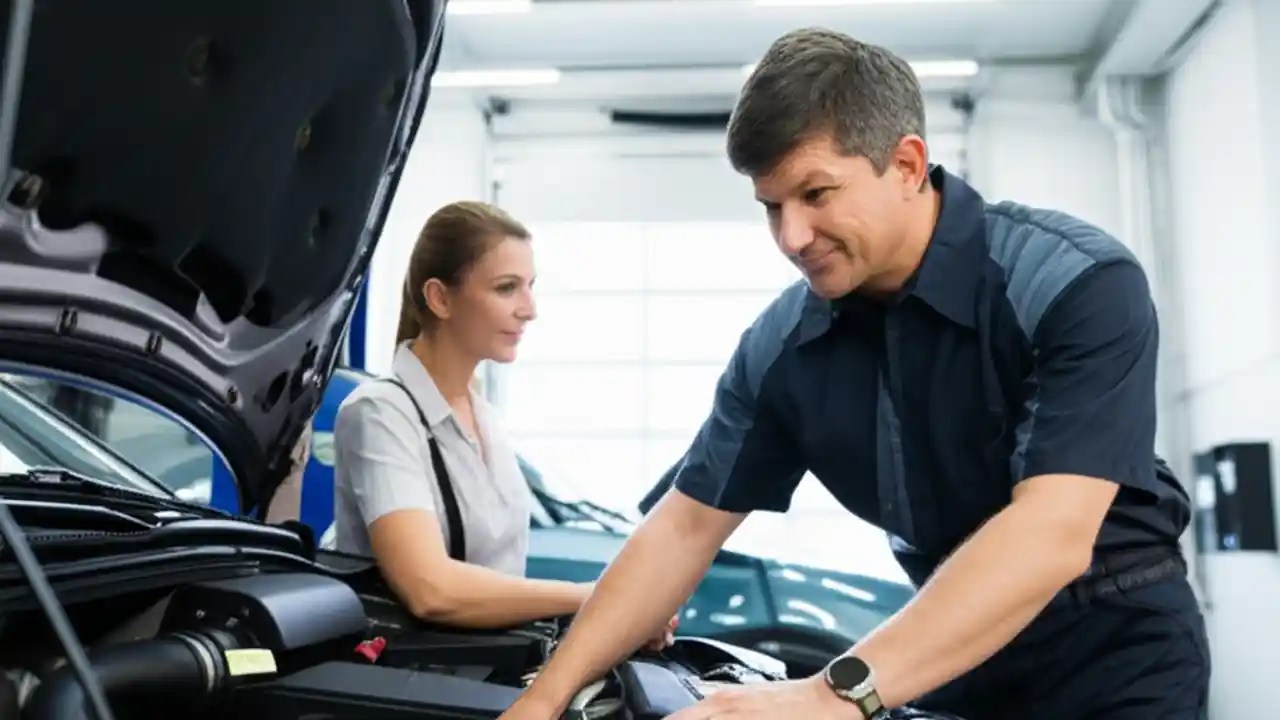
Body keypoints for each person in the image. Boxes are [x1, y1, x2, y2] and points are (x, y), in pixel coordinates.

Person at [501, 27, 1208, 720]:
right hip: (951, 654)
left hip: (1115, 650)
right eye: (771, 207)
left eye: (816, 194)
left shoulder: (1072, 281)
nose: (791, 237)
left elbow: (1051, 533)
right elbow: (682, 529)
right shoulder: (784, 346)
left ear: (905, 163)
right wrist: (541, 700)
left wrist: (826, 697)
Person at [332, 200, 676, 644]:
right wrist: (594, 598)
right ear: (439, 298)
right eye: (506, 288)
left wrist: (618, 620)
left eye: (530, 286)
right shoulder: (379, 415)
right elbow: (430, 590)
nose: (529, 309)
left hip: (483, 668)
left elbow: (499, 579)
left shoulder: (484, 415)